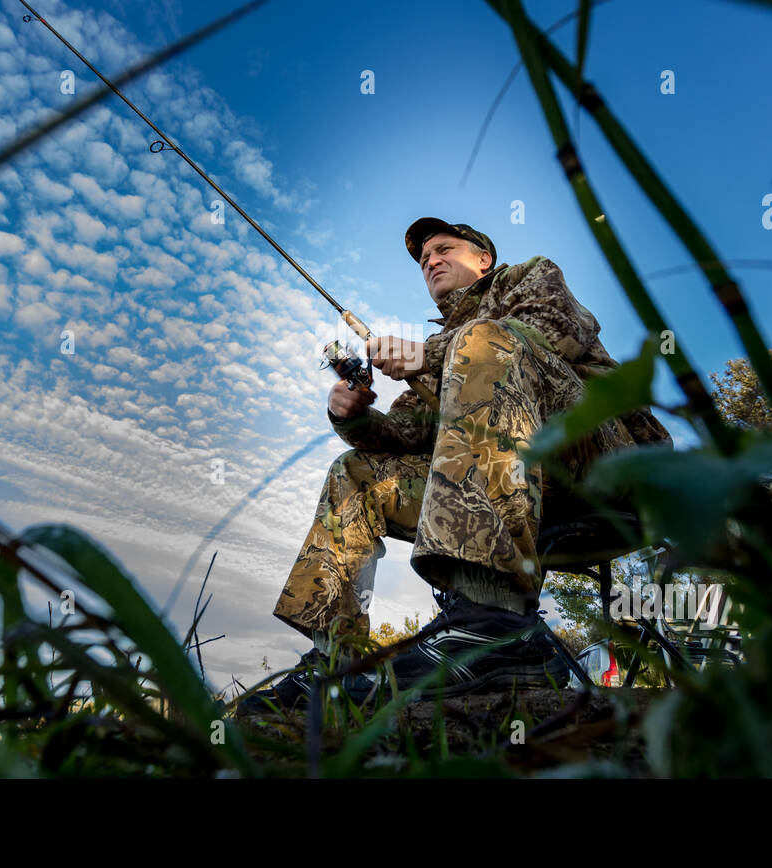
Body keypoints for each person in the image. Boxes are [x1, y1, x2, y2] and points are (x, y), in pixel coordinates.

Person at [244, 217, 671, 711]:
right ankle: (334, 660)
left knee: (483, 340)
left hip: (603, 465)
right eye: (425, 260)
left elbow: (556, 333)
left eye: (444, 249)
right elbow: (406, 433)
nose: (432, 262)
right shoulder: (452, 344)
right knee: (354, 473)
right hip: (512, 489)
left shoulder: (528, 278)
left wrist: (431, 353)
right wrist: (356, 417)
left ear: (482, 259)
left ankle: (492, 623)